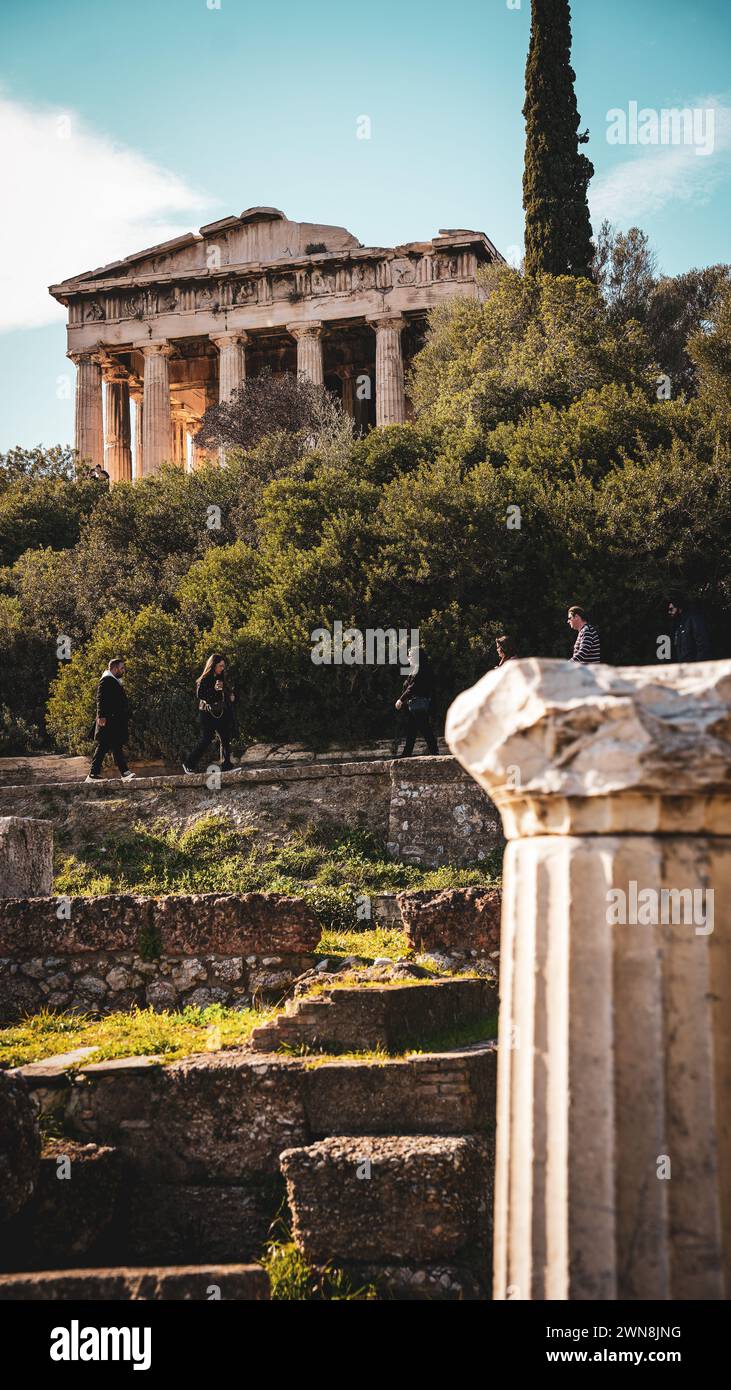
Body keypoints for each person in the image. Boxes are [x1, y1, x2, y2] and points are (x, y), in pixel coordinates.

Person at [183, 653, 240, 774]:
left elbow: (224, 693)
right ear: (213, 665)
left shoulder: (220, 677)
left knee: (225, 738)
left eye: (224, 666)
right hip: (207, 713)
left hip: (220, 712)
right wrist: (214, 689)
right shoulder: (204, 678)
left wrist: (229, 693)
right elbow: (201, 695)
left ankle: (227, 766)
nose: (222, 668)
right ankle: (189, 764)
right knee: (207, 739)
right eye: (220, 666)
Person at [85, 657, 136, 782]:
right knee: (107, 745)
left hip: (113, 721)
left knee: (111, 746)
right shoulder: (107, 680)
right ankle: (122, 772)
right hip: (108, 721)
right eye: (122, 668)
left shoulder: (113, 680)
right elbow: (100, 698)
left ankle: (96, 774)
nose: (124, 670)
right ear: (114, 668)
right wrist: (101, 716)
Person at [394, 646, 438, 758]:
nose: (408, 657)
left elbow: (412, 688)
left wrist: (401, 699)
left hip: (419, 702)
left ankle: (434, 751)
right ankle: (407, 753)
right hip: (415, 703)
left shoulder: (421, 669)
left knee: (424, 727)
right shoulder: (416, 668)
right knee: (412, 729)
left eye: (410, 655)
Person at [666, 592, 713, 662]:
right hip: (683, 668)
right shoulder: (678, 624)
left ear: (679, 608)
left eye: (671, 609)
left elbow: (703, 645)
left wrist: (697, 666)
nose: (669, 612)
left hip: (694, 667)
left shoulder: (693, 619)